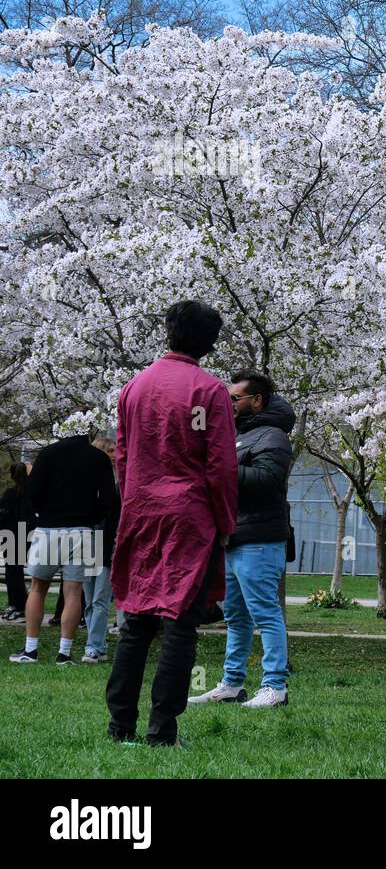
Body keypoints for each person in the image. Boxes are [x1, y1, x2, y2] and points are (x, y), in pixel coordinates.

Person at [105, 300, 238, 746]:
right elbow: (220, 466)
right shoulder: (210, 391)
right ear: (209, 341)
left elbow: (123, 457)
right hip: (189, 516)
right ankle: (162, 729)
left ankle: (120, 723)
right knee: (180, 621)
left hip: (142, 510)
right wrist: (224, 522)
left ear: (169, 332)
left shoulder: (134, 387)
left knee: (137, 621)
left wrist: (134, 502)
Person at [189, 371, 295, 709]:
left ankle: (275, 686)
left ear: (257, 400)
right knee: (235, 615)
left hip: (260, 539)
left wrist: (222, 468)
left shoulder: (274, 436)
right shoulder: (235, 435)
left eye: (236, 399)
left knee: (265, 613)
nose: (229, 404)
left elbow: (266, 480)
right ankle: (232, 684)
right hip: (234, 538)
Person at [9, 433, 118, 666]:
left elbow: (32, 490)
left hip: (49, 529)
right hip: (82, 531)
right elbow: (108, 498)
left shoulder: (48, 453)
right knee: (73, 592)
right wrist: (90, 517)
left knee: (38, 587)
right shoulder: (97, 458)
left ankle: (31, 649)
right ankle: (64, 653)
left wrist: (43, 514)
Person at [79, 436, 121, 663]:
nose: (115, 454)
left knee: (99, 598)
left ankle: (93, 646)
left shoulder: (119, 481)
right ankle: (97, 644)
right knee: (88, 599)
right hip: (88, 541)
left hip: (105, 543)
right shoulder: (89, 481)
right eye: (111, 450)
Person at [0, 462, 31, 621]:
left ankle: (17, 604)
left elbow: (3, 516)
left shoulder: (10, 494)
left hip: (10, 535)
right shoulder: (30, 493)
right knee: (16, 571)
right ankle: (20, 603)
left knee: (12, 573)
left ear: (12, 476)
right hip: (26, 536)